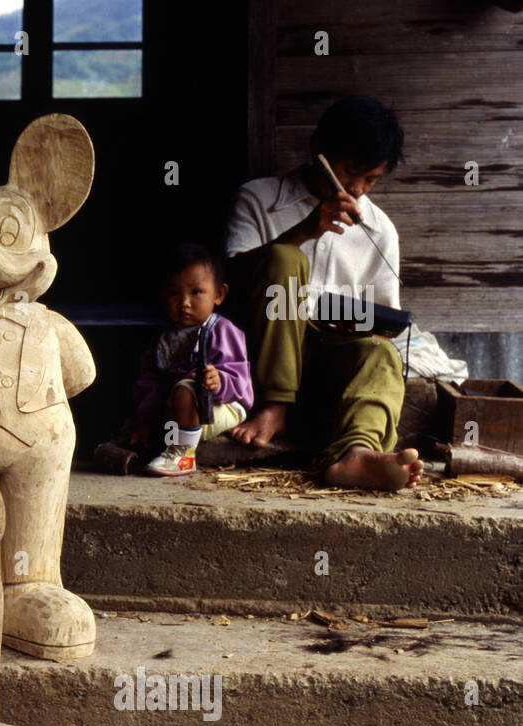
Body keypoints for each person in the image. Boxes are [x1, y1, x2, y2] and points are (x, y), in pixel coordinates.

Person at [225, 95, 423, 490]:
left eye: (371, 180)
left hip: (324, 369)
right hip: (256, 359)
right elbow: (225, 283)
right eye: (350, 172)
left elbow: (382, 319)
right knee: (285, 259)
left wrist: (363, 328)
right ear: (319, 150)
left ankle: (356, 454)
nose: (356, 188)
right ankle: (275, 407)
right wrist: (304, 232)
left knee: (381, 353)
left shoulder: (380, 229)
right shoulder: (259, 199)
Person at [130, 244, 254, 477]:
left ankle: (184, 455)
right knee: (158, 415)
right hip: (179, 411)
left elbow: (240, 380)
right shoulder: (163, 339)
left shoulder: (222, 330)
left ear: (219, 294)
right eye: (174, 293)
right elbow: (148, 384)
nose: (184, 302)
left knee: (187, 387)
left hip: (218, 407)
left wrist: (219, 381)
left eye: (196, 292)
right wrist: (144, 421)